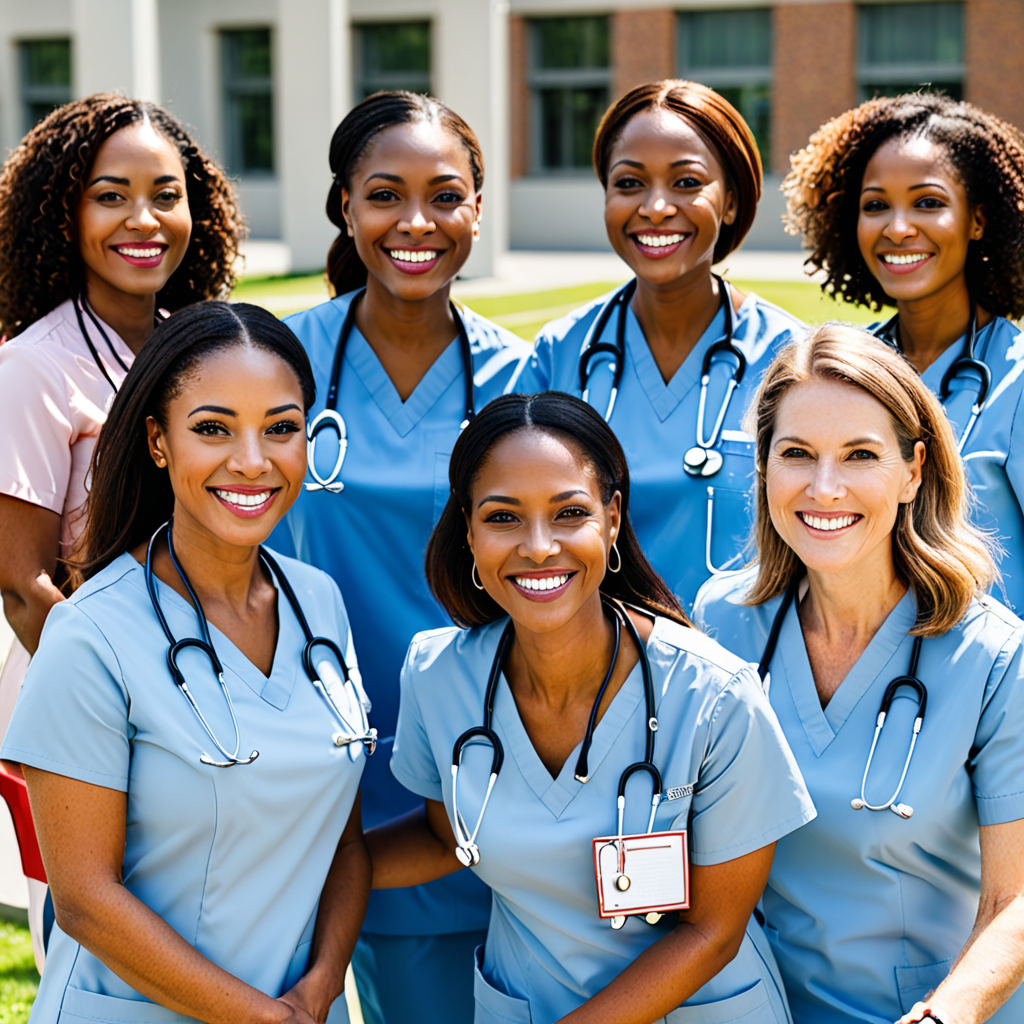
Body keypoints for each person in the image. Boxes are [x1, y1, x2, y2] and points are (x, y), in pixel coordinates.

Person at [368, 391, 816, 1024]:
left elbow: (712, 931)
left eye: (568, 513)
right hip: (523, 1004)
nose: (539, 546)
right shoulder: (439, 675)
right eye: (503, 518)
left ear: (611, 520)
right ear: (467, 530)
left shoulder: (713, 696)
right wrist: (307, 867)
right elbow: (450, 838)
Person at [1, 302, 370, 1024]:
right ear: (157, 441)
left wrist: (320, 988)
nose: (253, 461)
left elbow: (346, 844)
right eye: (212, 428)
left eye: (282, 428)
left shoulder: (318, 605)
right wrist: (262, 1018)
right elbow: (84, 901)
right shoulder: (91, 634)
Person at [278, 91, 530, 1024]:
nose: (415, 223)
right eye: (385, 195)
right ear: (345, 207)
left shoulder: (520, 376)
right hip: (305, 752)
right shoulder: (280, 363)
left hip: (479, 754)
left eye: (445, 195)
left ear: (476, 210)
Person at [694, 324, 1024, 1024]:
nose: (824, 486)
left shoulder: (995, 658)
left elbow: (1013, 901)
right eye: (797, 454)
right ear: (763, 467)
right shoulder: (723, 621)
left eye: (860, 455)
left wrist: (946, 1015)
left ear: (913, 471)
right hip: (756, 1007)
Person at [0, 93, 243, 961]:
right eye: (110, 195)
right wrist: (144, 706)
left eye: (165, 194)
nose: (143, 219)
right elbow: (25, 587)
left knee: (215, 949)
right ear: (63, 214)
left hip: (218, 700)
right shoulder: (32, 368)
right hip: (91, 720)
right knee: (100, 956)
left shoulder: (204, 350)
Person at [512, 81, 804, 608]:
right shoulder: (562, 353)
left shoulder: (791, 357)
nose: (655, 207)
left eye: (686, 181)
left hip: (749, 666)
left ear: (732, 201)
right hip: (597, 665)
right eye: (629, 183)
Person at [783, 92, 1024, 612]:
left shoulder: (1018, 379)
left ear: (978, 220)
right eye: (875, 206)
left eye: (928, 203)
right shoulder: (839, 368)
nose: (896, 227)